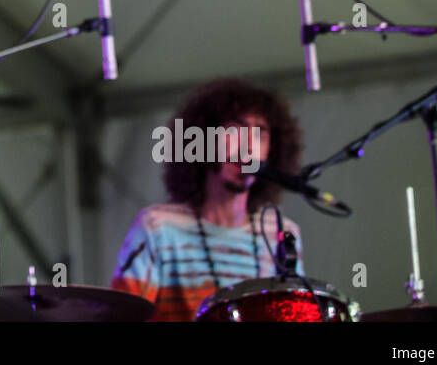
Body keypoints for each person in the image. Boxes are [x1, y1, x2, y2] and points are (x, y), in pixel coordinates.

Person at [111, 78, 305, 321]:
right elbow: (121, 316)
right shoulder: (158, 228)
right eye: (234, 130)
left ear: (272, 151)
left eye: (260, 134)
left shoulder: (282, 234)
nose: (248, 146)